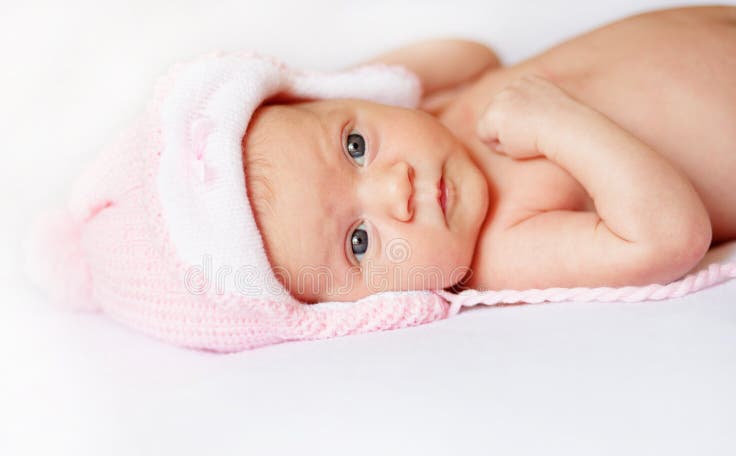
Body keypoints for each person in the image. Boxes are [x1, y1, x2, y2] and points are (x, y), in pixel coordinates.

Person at [243, 5, 736, 303]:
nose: (397, 187)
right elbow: (669, 239)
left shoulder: (434, 114)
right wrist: (557, 125)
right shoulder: (500, 251)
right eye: (359, 242)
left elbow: (473, 53)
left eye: (355, 146)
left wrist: (362, 86)